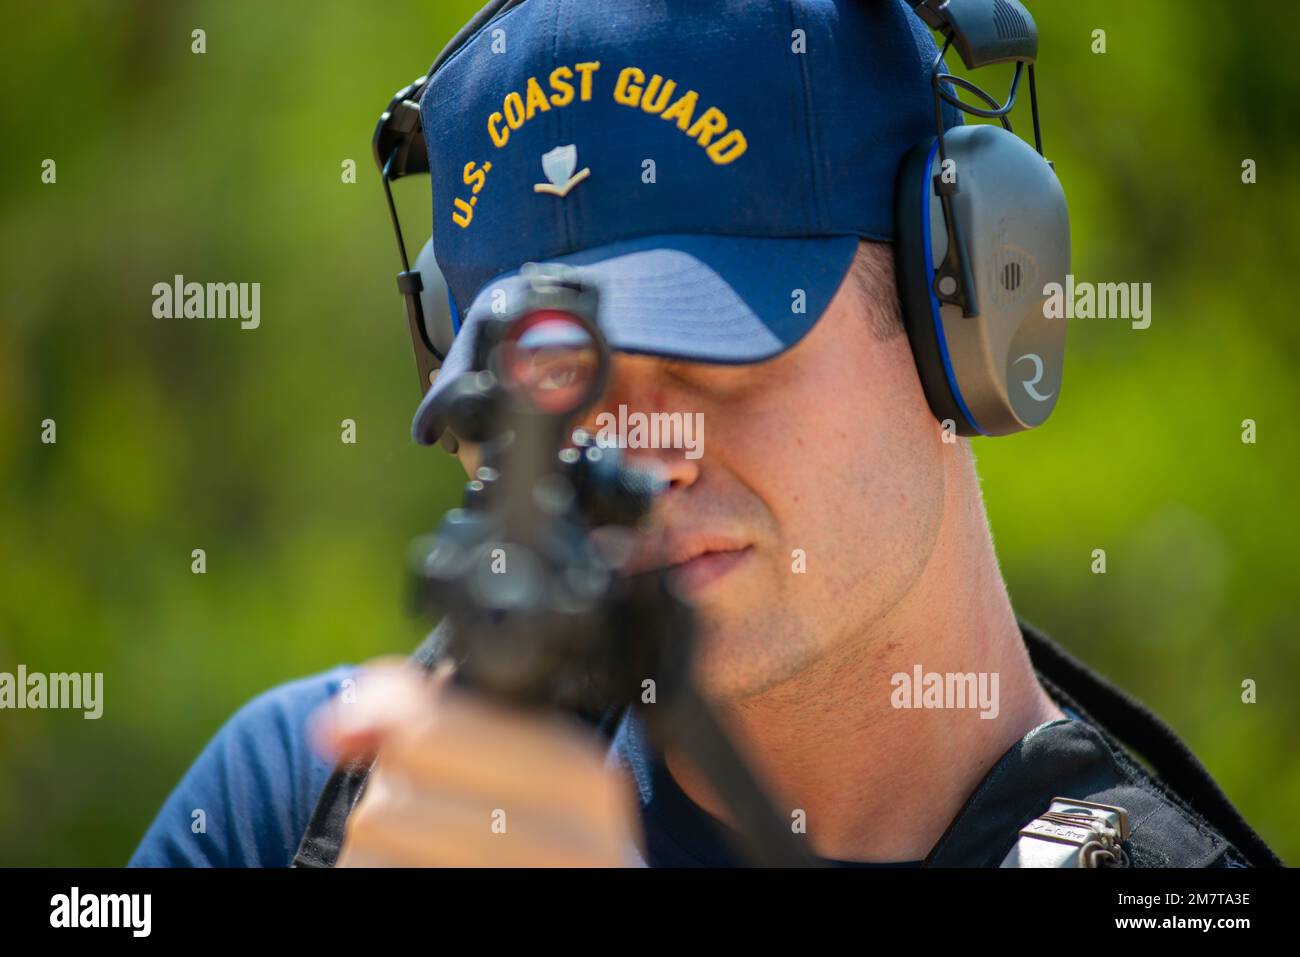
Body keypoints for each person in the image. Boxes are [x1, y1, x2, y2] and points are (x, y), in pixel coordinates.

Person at [129, 0, 1281, 869]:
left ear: (966, 303)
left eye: (715, 350)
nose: (635, 451)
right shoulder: (300, 799)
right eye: (557, 388)